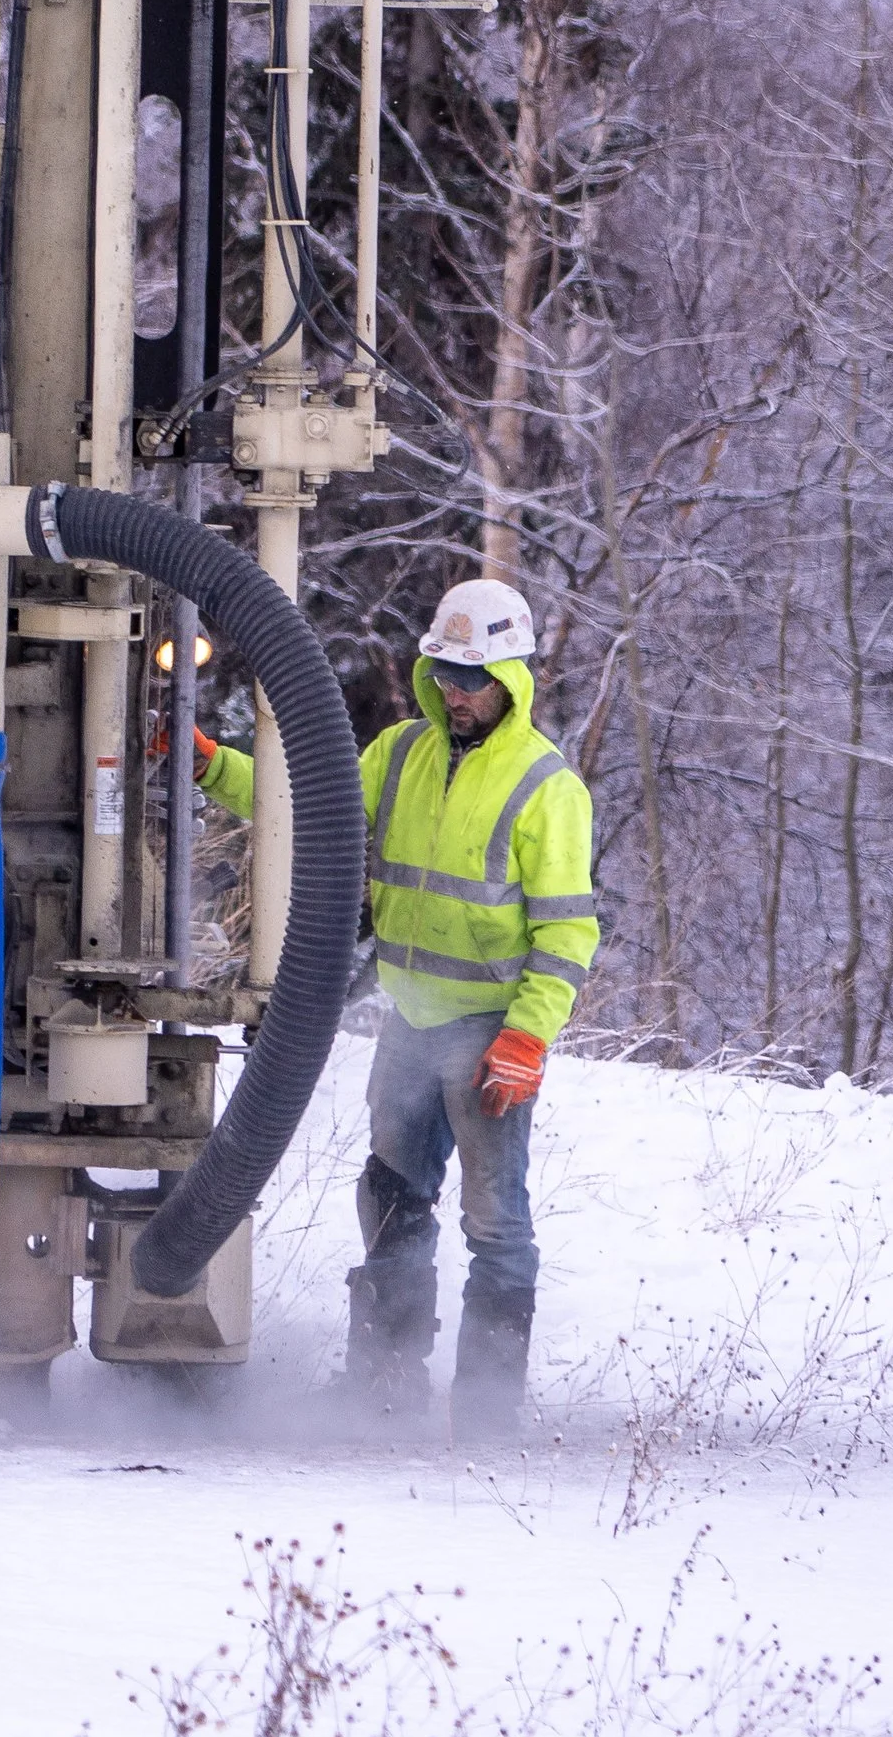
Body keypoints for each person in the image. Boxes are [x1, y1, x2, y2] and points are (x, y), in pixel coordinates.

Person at [188, 576, 597, 1440]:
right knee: (394, 1196)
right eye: (443, 674)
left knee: (497, 1226)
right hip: (412, 1023)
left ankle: (487, 1412)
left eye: (472, 679)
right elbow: (301, 802)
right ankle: (383, 1382)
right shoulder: (403, 753)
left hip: (490, 1036)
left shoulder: (545, 788)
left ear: (513, 680)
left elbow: (567, 935)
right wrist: (210, 764)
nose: (454, 694)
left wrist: (527, 1038)